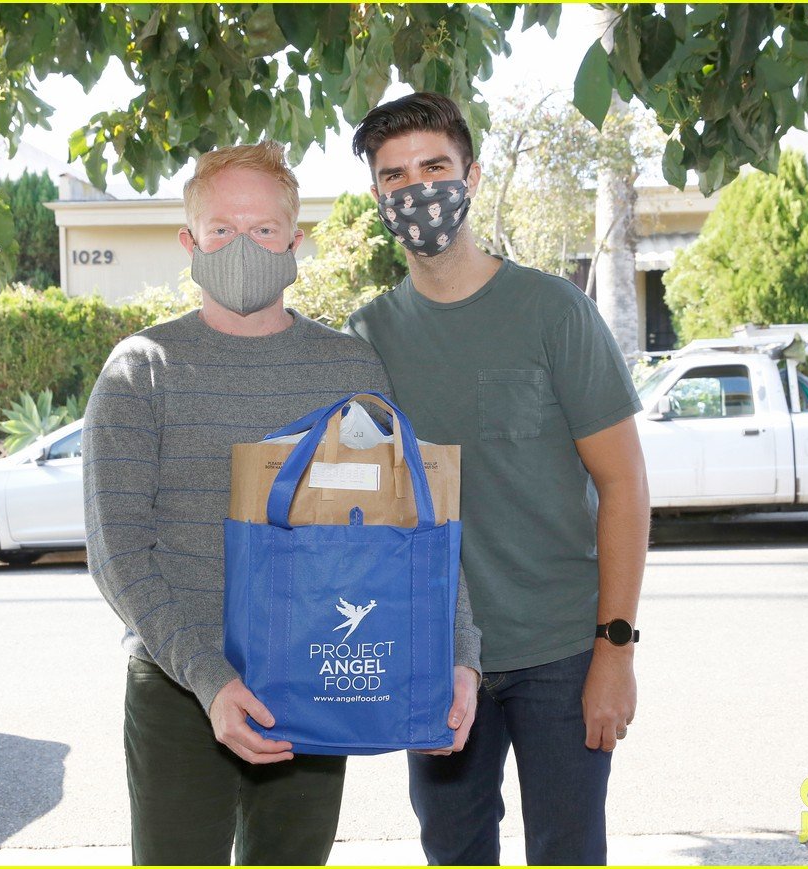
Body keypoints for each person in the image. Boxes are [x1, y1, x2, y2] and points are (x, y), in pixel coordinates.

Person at [83, 141, 481, 866]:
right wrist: (210, 679)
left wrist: (459, 653)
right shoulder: (141, 369)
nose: (243, 246)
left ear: (296, 241)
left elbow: (409, 527)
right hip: (180, 688)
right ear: (190, 243)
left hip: (315, 674)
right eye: (222, 230)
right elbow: (117, 554)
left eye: (264, 230)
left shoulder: (348, 367)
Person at [345, 93, 650, 866]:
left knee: (569, 854)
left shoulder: (555, 311)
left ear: (471, 176)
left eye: (435, 167)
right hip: (436, 654)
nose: (417, 190)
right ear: (378, 197)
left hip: (561, 649)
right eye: (395, 176)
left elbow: (623, 484)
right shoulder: (367, 337)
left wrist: (615, 649)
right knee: (453, 853)